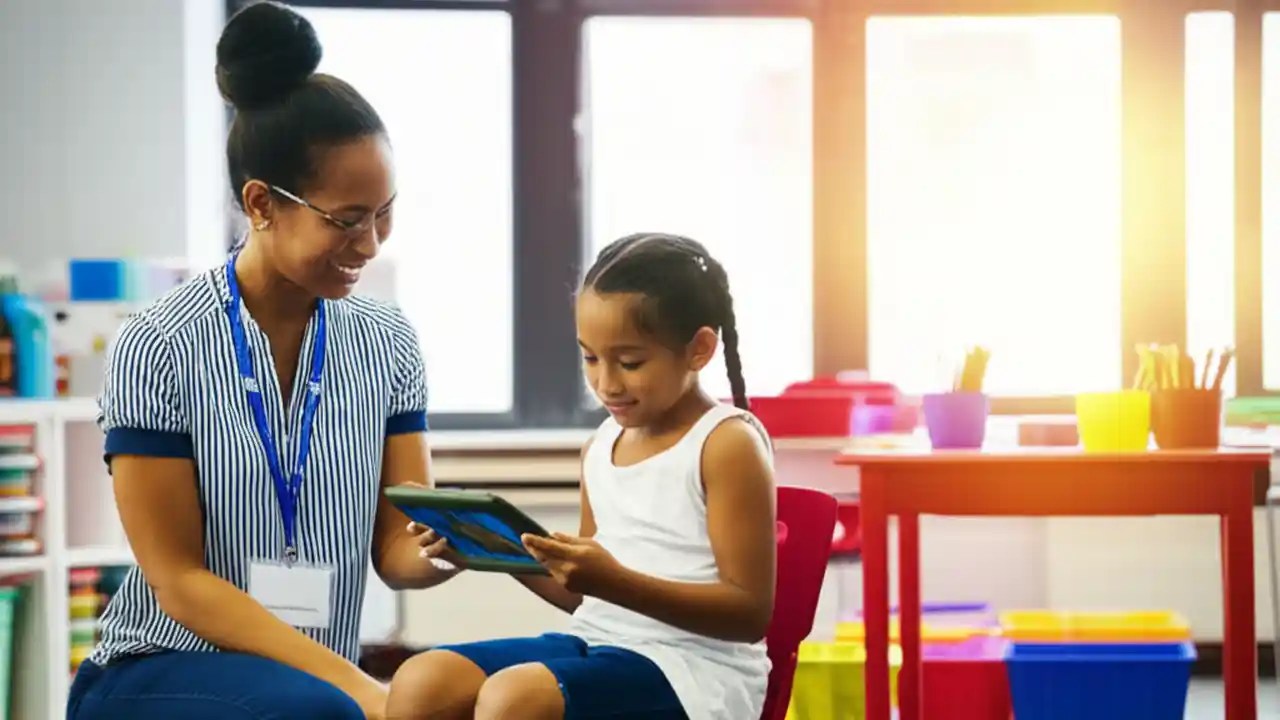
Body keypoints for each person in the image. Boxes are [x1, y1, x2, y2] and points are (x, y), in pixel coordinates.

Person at [65, 4, 457, 719]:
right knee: (325, 712)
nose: (370, 244)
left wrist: (458, 545)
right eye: (346, 219)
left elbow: (397, 551)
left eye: (384, 213)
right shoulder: (159, 343)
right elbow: (179, 582)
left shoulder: (389, 339)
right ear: (260, 204)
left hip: (310, 681)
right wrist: (358, 686)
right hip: (163, 667)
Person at [386, 233, 777, 720]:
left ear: (698, 349)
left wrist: (616, 582)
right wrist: (490, 548)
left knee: (514, 699)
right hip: (599, 641)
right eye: (590, 357)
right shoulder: (601, 445)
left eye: (630, 362)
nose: (607, 383)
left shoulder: (726, 443)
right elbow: (583, 594)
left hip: (696, 669)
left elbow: (749, 613)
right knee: (421, 682)